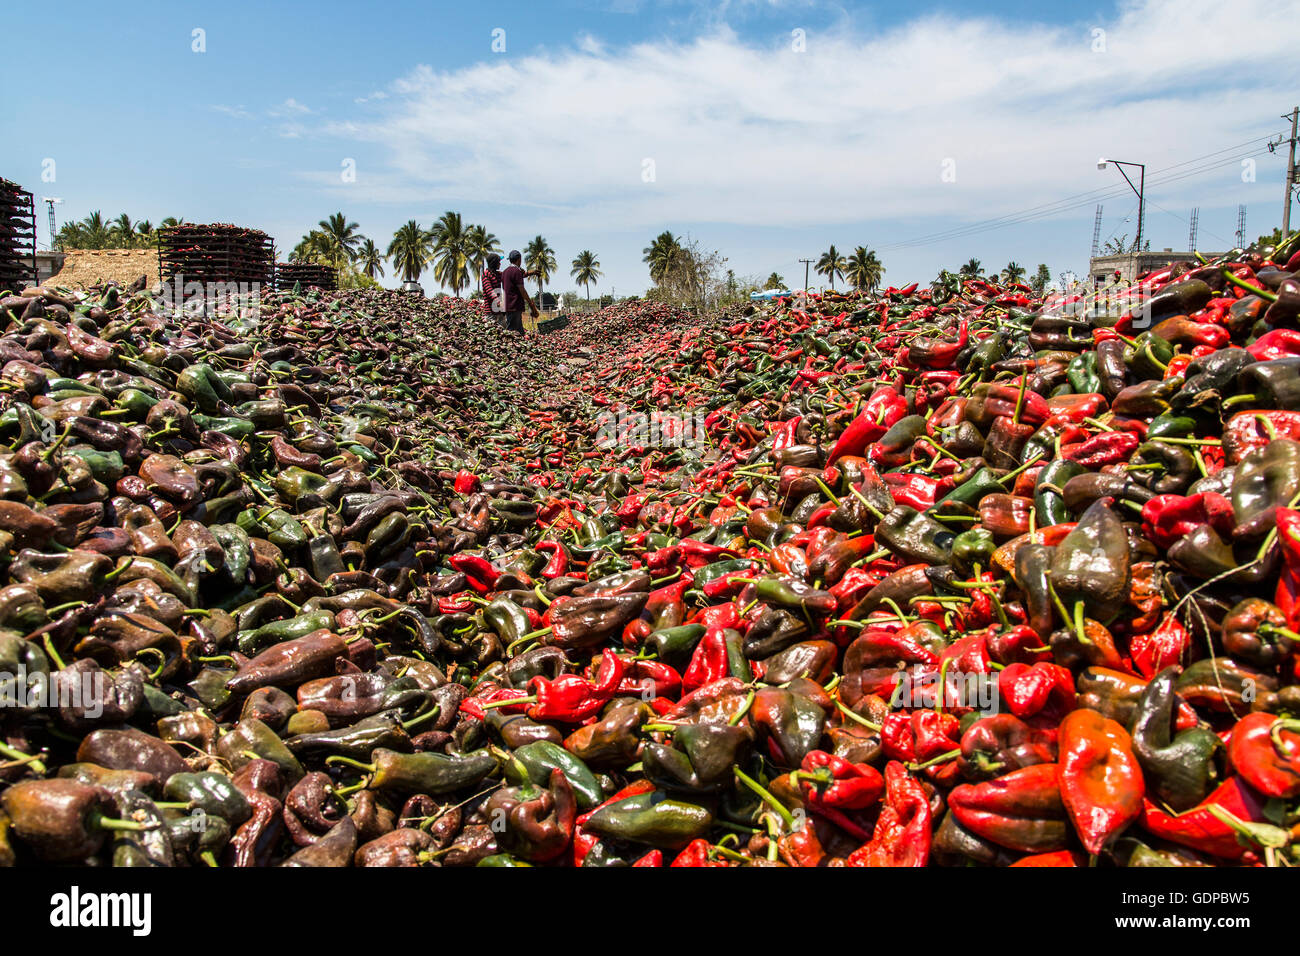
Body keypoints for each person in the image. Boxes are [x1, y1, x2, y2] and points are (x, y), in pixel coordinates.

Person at [499, 250, 539, 334]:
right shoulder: (516, 271)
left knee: (519, 331)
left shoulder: (505, 272)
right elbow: (522, 290)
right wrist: (530, 303)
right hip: (515, 305)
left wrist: (530, 273)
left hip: (508, 305)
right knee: (512, 332)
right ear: (519, 259)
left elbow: (515, 278)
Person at [481, 253, 504, 321]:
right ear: (494, 263)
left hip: (499, 311)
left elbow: (510, 276)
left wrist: (527, 273)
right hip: (490, 312)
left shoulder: (498, 274)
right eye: (498, 262)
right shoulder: (486, 274)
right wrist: (498, 302)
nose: (500, 264)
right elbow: (489, 291)